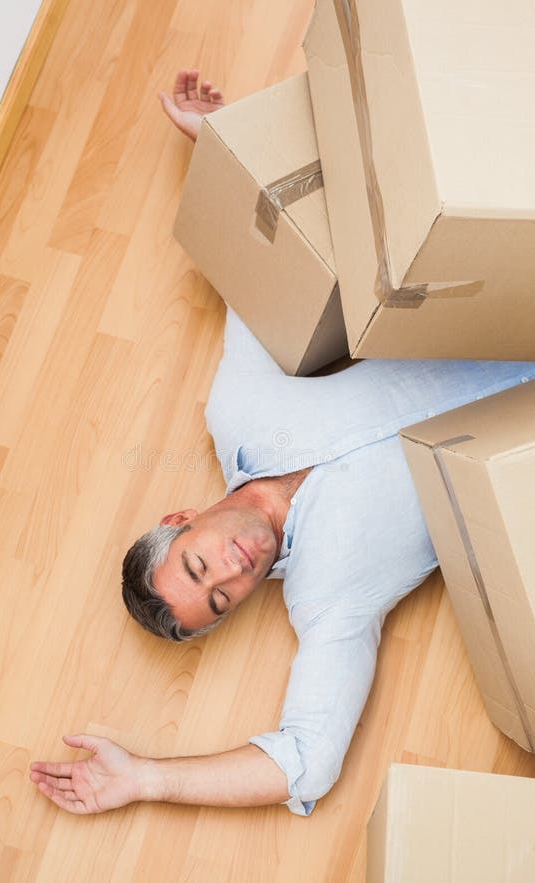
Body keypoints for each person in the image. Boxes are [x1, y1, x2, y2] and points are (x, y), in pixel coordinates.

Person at [30, 71, 535, 817]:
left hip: (510, 289)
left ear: (180, 520)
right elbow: (306, 761)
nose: (229, 572)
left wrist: (222, 142)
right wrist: (148, 779)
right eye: (221, 600)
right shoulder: (330, 597)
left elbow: (263, 272)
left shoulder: (239, 410)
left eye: (198, 564)